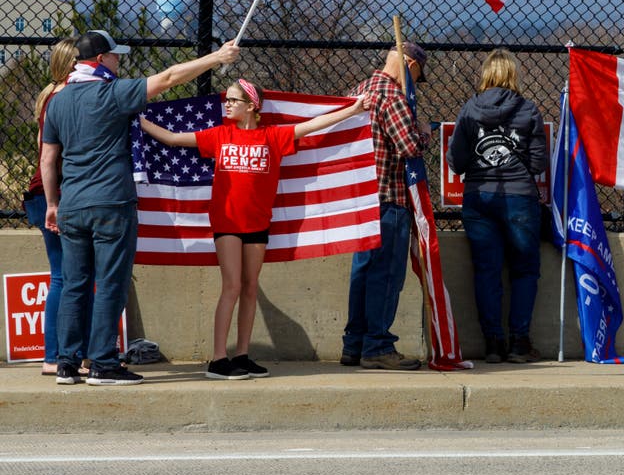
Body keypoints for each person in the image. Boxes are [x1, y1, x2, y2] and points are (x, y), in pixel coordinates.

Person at [41, 30, 240, 386]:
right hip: (112, 202)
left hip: (72, 203)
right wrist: (216, 58)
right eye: (115, 55)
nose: (120, 60)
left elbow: (48, 157)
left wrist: (53, 203)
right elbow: (168, 77)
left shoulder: (58, 100)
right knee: (111, 283)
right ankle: (103, 362)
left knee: (74, 284)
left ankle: (66, 364)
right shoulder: (113, 92)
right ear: (101, 59)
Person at [140, 79, 364, 380]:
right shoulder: (220, 134)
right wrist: (137, 118)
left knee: (248, 287)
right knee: (231, 286)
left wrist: (352, 110)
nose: (227, 104)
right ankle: (218, 359)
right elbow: (173, 138)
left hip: (258, 224)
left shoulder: (272, 136)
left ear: (251, 106)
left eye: (233, 100)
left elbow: (313, 126)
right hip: (227, 222)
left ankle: (242, 354)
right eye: (227, 100)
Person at [447, 48, 547, 364]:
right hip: (519, 198)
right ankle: (519, 343)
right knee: (525, 270)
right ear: (513, 75)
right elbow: (538, 162)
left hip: (479, 198)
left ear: (486, 75)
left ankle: (492, 343)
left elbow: (456, 161)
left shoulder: (469, 110)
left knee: (486, 271)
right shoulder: (529, 110)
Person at [341, 43, 431, 372]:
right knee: (387, 273)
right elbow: (407, 147)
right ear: (409, 64)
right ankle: (377, 344)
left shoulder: (360, 90)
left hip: (361, 196)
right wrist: (423, 134)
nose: (415, 83)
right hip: (389, 196)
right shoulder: (392, 96)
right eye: (417, 74)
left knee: (362, 271)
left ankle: (355, 342)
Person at [23, 38, 80, 376]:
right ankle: (55, 354)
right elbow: (51, 159)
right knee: (64, 276)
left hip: (51, 193)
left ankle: (59, 354)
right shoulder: (61, 98)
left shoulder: (52, 96)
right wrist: (54, 202)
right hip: (52, 195)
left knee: (66, 275)